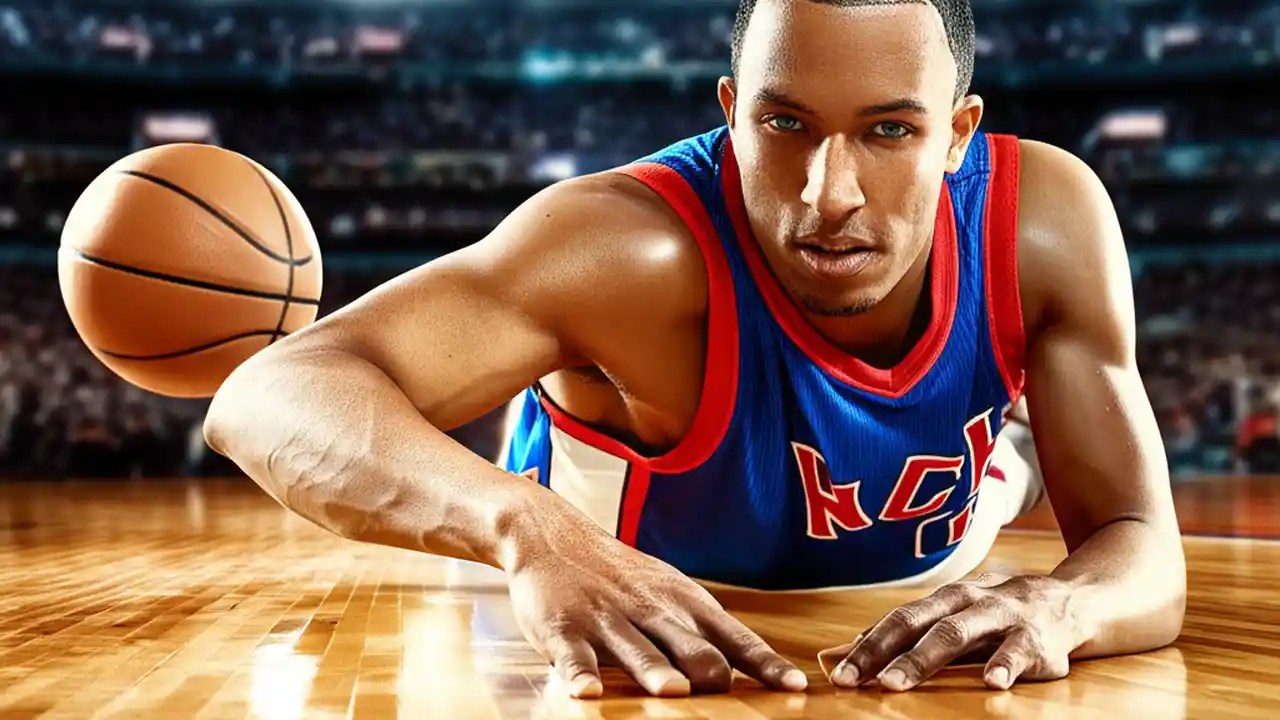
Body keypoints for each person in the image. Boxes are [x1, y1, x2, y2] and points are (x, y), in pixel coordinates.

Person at [204, 0, 1185, 699]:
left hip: (931, 533)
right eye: (784, 123)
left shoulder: (1043, 225)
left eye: (888, 129)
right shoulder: (623, 249)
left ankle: (995, 453)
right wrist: (525, 528)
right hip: (617, 564)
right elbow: (269, 394)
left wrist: (1063, 609)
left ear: (958, 134)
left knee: (1006, 476)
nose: (826, 193)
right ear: (729, 111)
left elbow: (1141, 551)